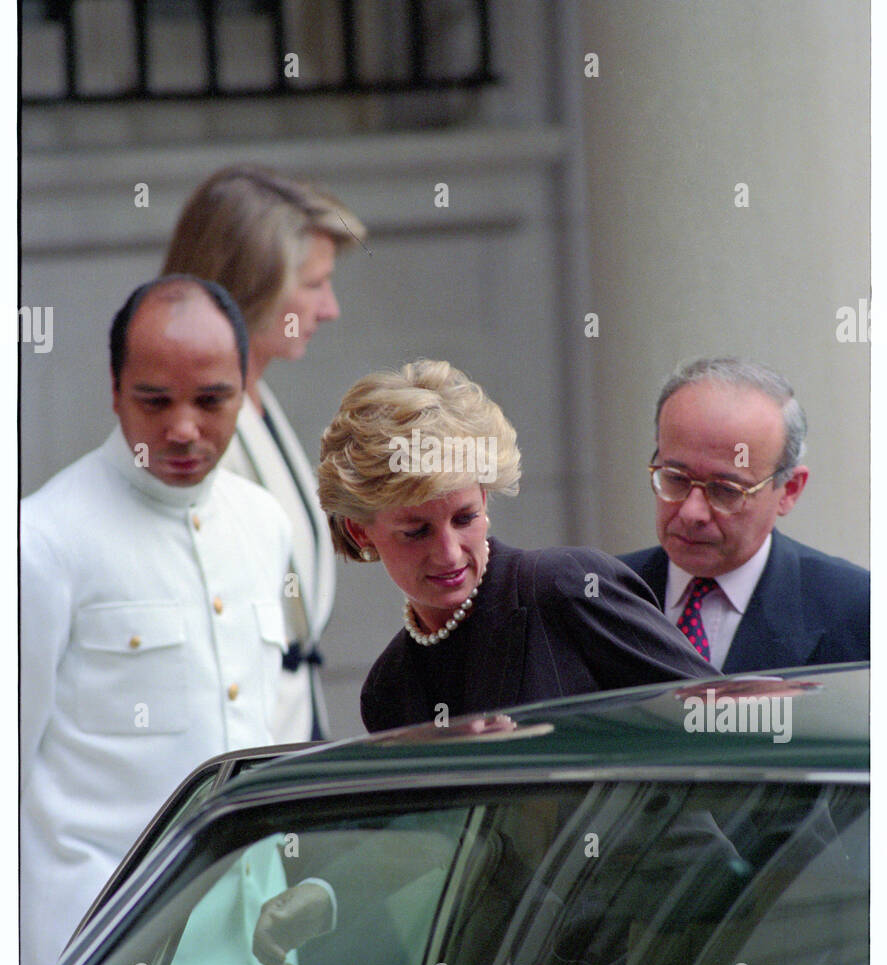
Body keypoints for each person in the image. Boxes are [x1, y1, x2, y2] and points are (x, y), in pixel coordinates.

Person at [20, 277, 311, 965]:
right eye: (155, 400)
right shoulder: (41, 541)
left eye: (211, 400)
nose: (183, 428)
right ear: (114, 388)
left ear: (244, 389)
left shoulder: (265, 523)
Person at [315, 359, 715, 734]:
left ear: (485, 501)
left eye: (464, 518)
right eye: (416, 531)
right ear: (361, 532)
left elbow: (720, 719)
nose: (450, 553)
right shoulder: (388, 689)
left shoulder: (566, 586)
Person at [161, 164, 367, 742]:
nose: (330, 309)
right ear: (249, 283)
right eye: (313, 284)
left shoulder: (256, 396)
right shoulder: (191, 437)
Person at [619, 357, 870, 673]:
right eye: (675, 478)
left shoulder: (859, 609)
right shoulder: (599, 596)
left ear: (789, 490)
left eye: (725, 490)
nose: (691, 512)